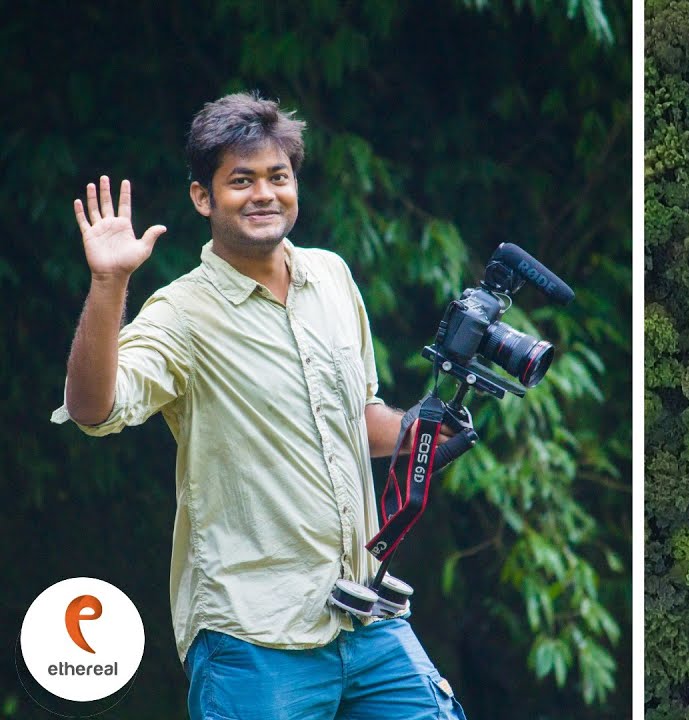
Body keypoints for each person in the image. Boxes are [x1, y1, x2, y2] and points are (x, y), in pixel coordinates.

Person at [51, 91, 466, 720]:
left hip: (365, 616)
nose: (264, 194)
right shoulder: (182, 314)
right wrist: (110, 284)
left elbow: (356, 418)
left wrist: (417, 434)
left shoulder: (331, 277)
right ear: (203, 197)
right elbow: (92, 408)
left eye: (278, 176)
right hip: (253, 634)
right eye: (240, 181)